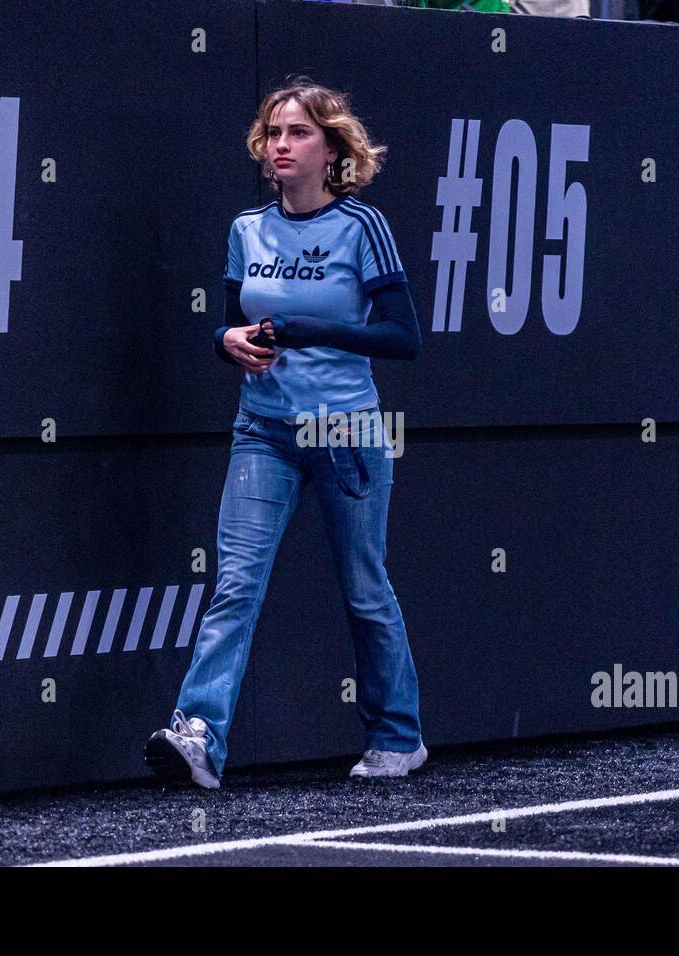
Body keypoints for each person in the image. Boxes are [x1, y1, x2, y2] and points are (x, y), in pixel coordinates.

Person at [144, 78, 426, 789]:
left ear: (332, 147)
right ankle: (199, 736)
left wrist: (309, 332)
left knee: (364, 587)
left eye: (298, 132)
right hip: (262, 430)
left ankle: (398, 737)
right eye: (273, 133)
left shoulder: (362, 227)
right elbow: (238, 320)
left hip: (347, 429)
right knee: (234, 584)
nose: (281, 145)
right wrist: (225, 338)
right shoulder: (246, 230)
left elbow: (403, 337)